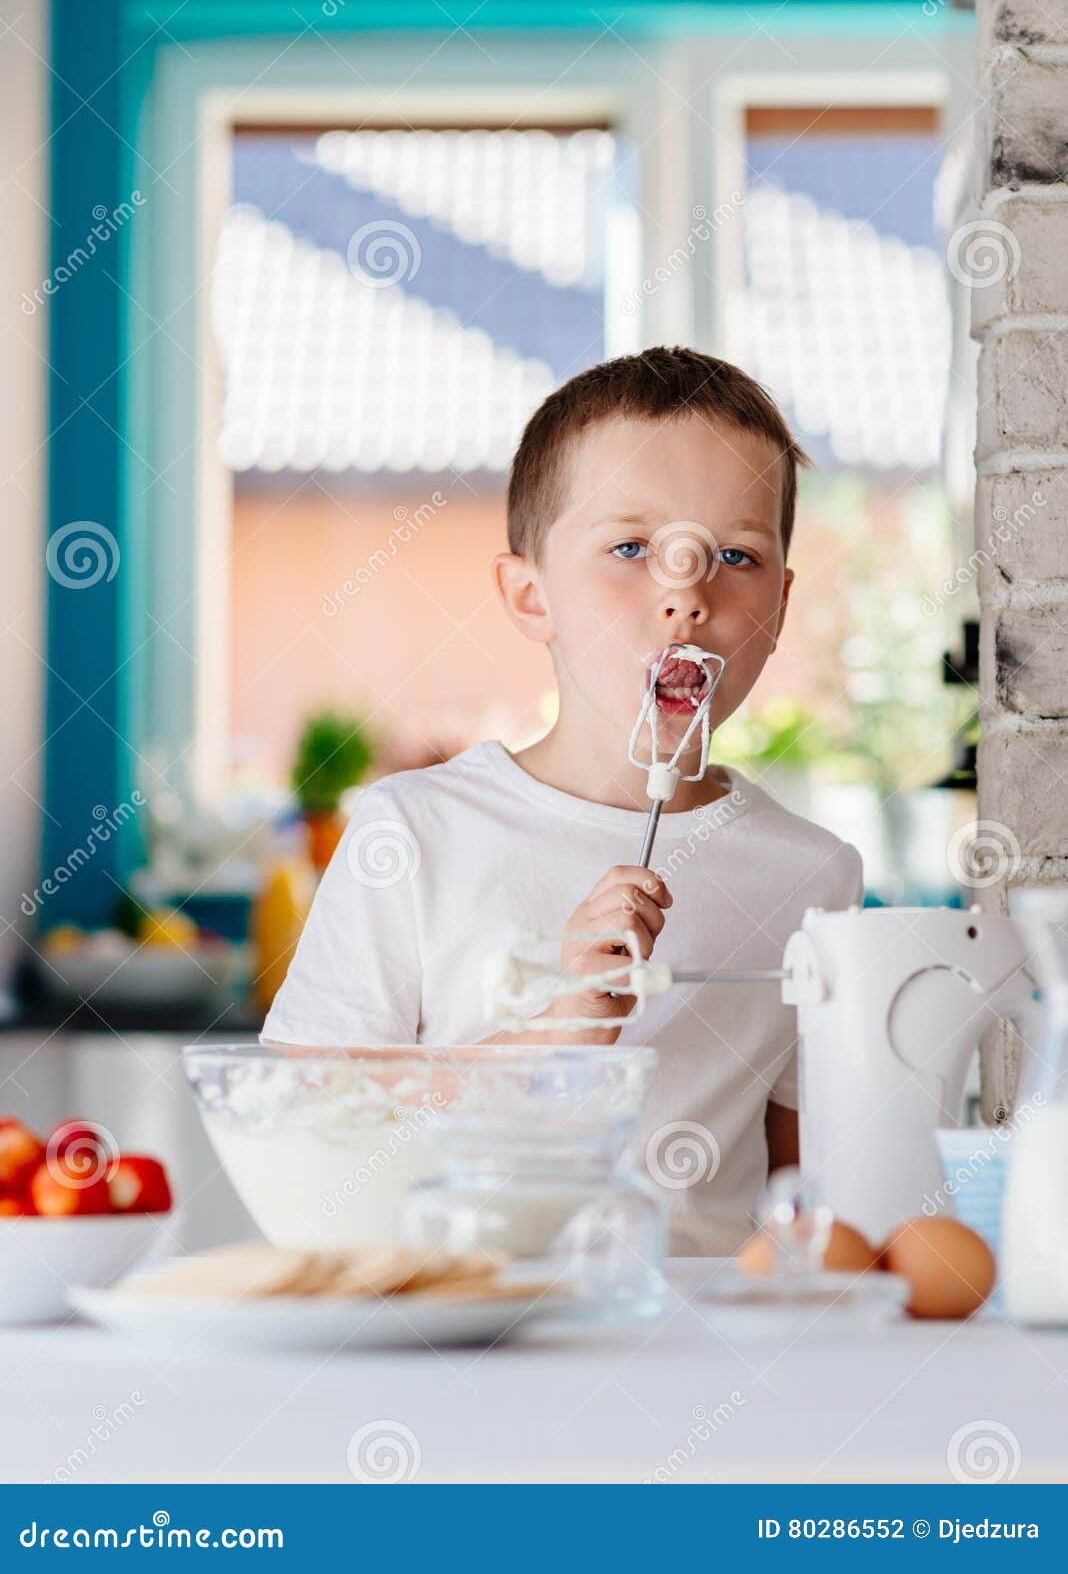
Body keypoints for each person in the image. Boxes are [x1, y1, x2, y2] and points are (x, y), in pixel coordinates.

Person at [263, 347, 864, 1254]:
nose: (685, 597)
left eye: (735, 556)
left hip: (699, 1332)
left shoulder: (814, 875)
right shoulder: (414, 833)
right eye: (630, 549)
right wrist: (550, 1041)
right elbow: (306, 1135)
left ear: (778, 608)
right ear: (529, 595)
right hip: (459, 1321)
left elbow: (812, 1204)